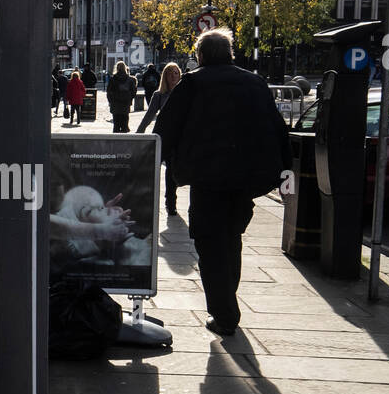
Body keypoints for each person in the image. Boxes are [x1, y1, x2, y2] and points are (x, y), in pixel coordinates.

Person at [155, 29, 291, 337]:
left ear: (200, 55)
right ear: (230, 53)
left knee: (210, 244)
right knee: (232, 240)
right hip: (246, 180)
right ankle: (227, 301)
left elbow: (166, 128)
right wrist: (285, 173)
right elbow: (277, 128)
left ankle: (225, 313)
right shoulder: (255, 83)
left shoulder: (193, 83)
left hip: (207, 180)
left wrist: (159, 161)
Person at [136, 60, 182, 216]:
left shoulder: (184, 94)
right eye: (170, 73)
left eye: (176, 73)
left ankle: (171, 203)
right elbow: (149, 116)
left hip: (179, 139)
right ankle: (144, 199)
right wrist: (139, 134)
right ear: (165, 76)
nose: (174, 76)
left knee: (172, 172)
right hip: (162, 136)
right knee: (153, 168)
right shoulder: (159, 95)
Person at [105, 60, 138, 133]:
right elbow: (134, 91)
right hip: (125, 104)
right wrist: (129, 98)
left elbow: (109, 92)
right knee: (125, 123)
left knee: (116, 124)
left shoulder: (113, 79)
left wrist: (110, 101)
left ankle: (115, 141)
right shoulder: (130, 79)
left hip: (115, 104)